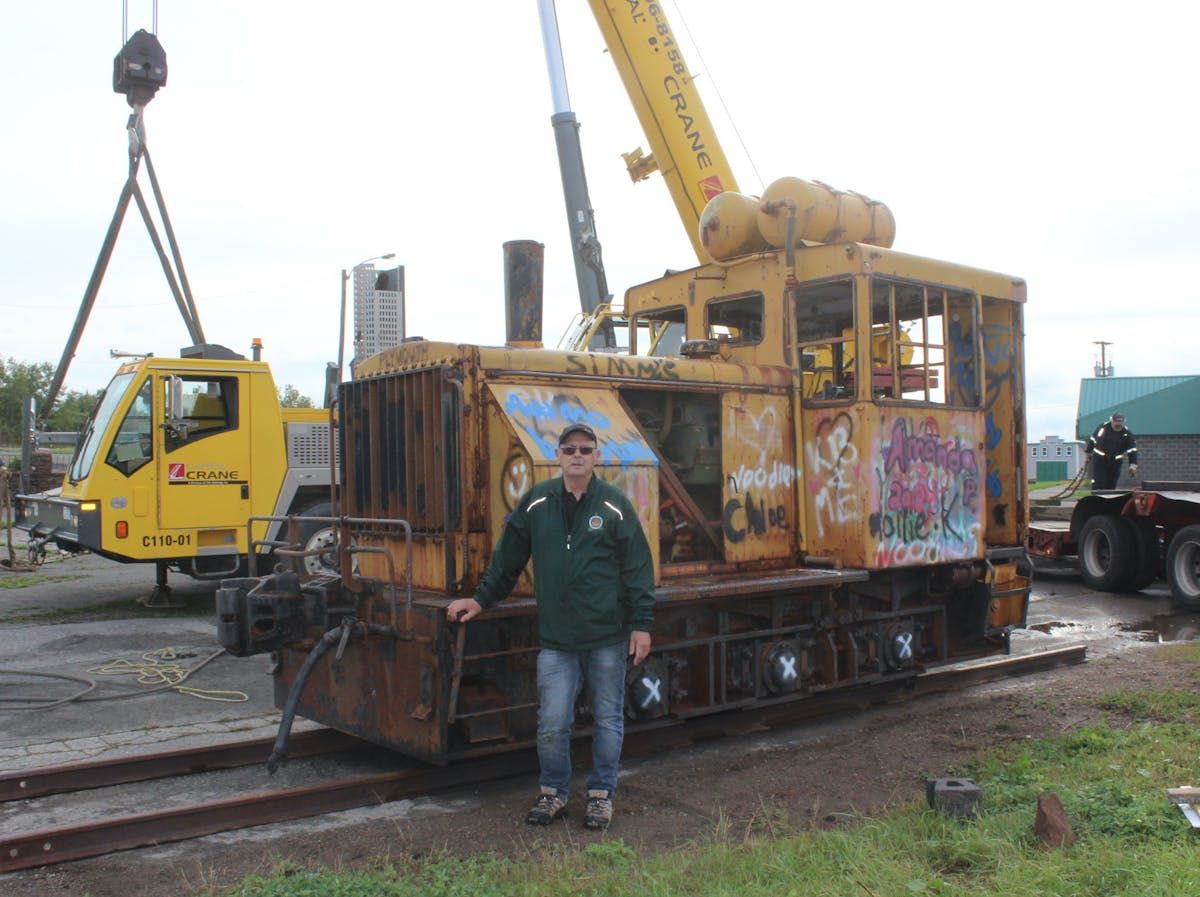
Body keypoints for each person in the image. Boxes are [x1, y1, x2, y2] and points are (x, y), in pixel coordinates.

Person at [445, 422, 655, 830]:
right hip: (557, 641)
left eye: (585, 449)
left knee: (608, 718)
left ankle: (600, 795)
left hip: (607, 638)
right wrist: (479, 599)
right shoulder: (536, 503)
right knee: (553, 721)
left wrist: (641, 625)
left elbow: (637, 570)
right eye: (569, 449)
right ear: (557, 456)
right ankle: (554, 793)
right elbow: (507, 562)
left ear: (597, 457)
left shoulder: (614, 506)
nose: (577, 455)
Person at [1085, 411, 1138, 490]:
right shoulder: (1102, 428)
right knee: (1099, 484)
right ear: (1112, 421)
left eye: (1120, 425)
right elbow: (1093, 440)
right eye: (1116, 424)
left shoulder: (1127, 433)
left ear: (1124, 422)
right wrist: (1088, 453)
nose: (1118, 427)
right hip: (1100, 461)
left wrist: (1133, 465)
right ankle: (1098, 501)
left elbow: (1132, 450)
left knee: (1111, 485)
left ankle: (1109, 501)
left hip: (1115, 463)